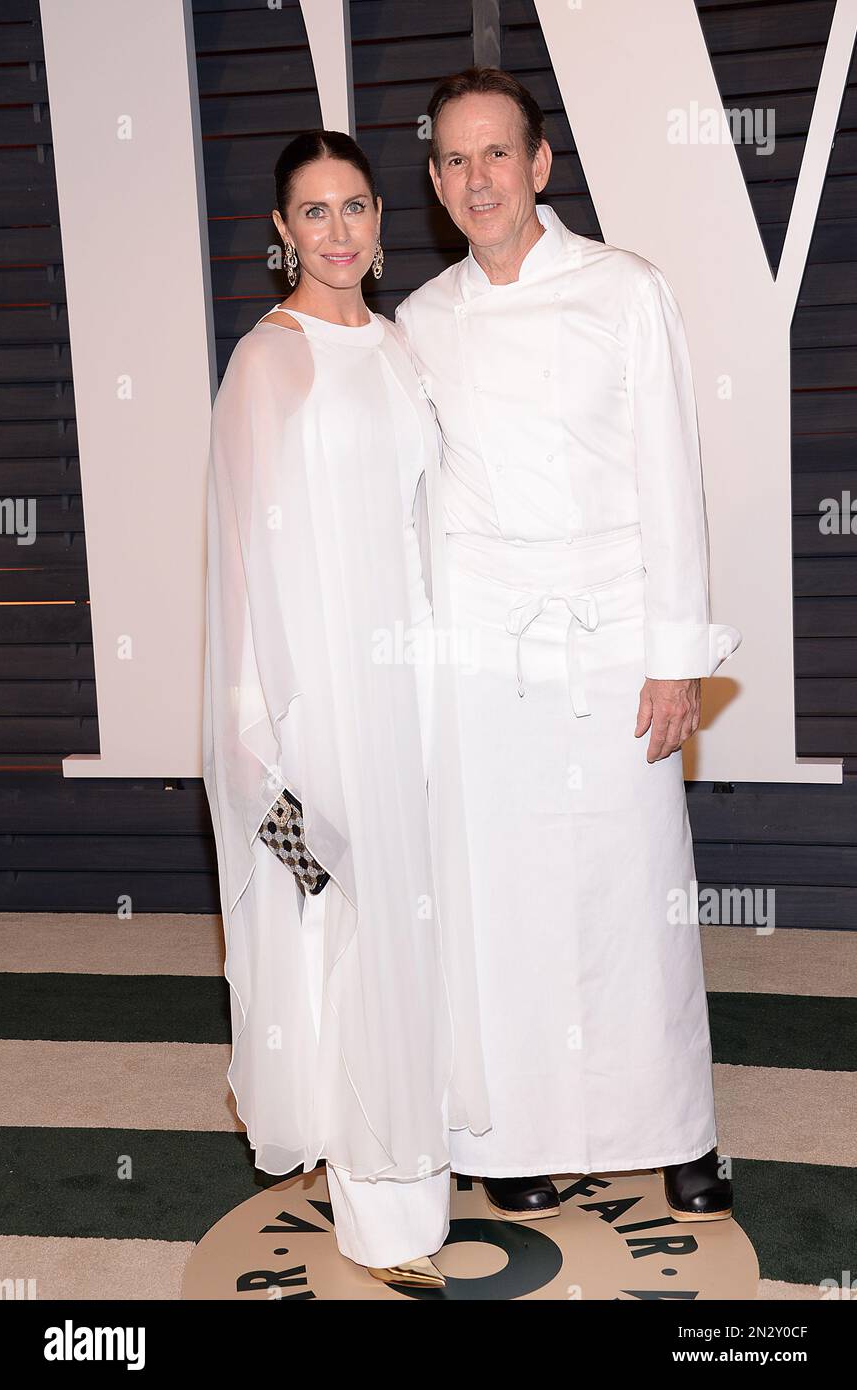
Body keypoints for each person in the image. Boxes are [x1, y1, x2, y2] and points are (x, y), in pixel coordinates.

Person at [395, 67, 743, 1223]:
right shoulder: (422, 321)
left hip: (611, 644)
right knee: (504, 906)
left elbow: (669, 477)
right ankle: (515, 1136)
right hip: (482, 650)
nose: (474, 177)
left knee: (634, 891)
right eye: (452, 159)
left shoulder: (623, 290)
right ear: (436, 182)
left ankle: (679, 1132)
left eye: (495, 153)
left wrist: (675, 652)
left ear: (539, 165)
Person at [202, 130, 491, 1287]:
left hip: (412, 676)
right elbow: (237, 562)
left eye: (355, 207)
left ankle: (415, 1162)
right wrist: (255, 731)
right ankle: (378, 1215)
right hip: (313, 692)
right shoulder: (265, 364)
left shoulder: (400, 346)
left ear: (382, 217)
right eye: (311, 213)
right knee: (343, 922)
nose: (337, 232)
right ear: (280, 233)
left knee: (412, 927)